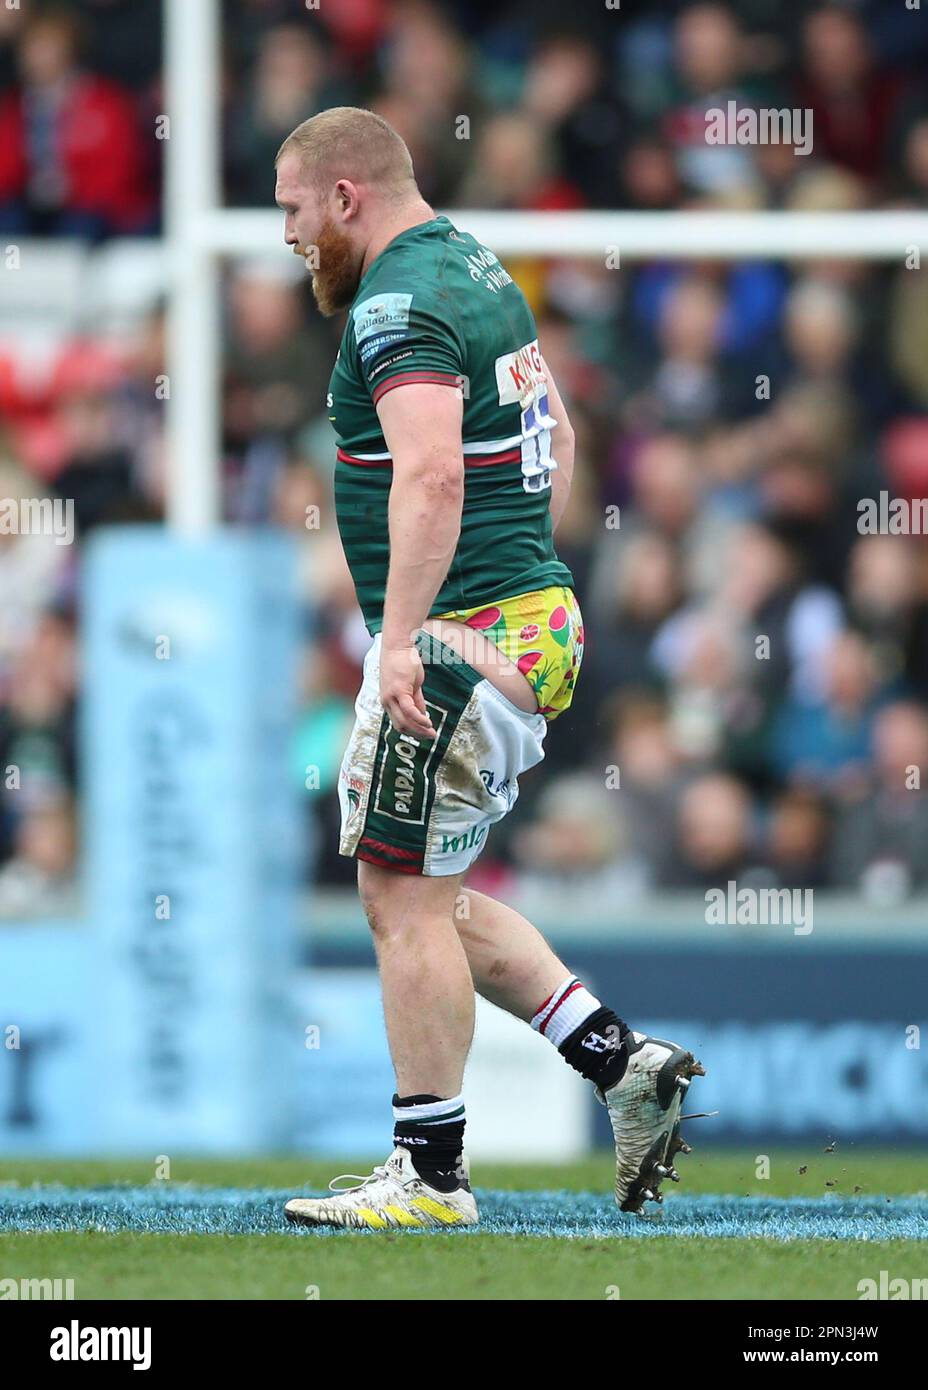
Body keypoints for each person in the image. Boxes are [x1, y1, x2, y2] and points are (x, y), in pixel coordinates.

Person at [273, 107, 703, 1229]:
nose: (286, 234)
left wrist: (410, 632)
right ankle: (621, 1062)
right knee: (431, 893)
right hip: (528, 617)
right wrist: (519, 579)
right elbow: (548, 428)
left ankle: (429, 1176)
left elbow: (430, 480)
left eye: (292, 207)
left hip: (465, 635)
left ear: (345, 197)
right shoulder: (475, 264)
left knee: (394, 900)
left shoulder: (396, 300)